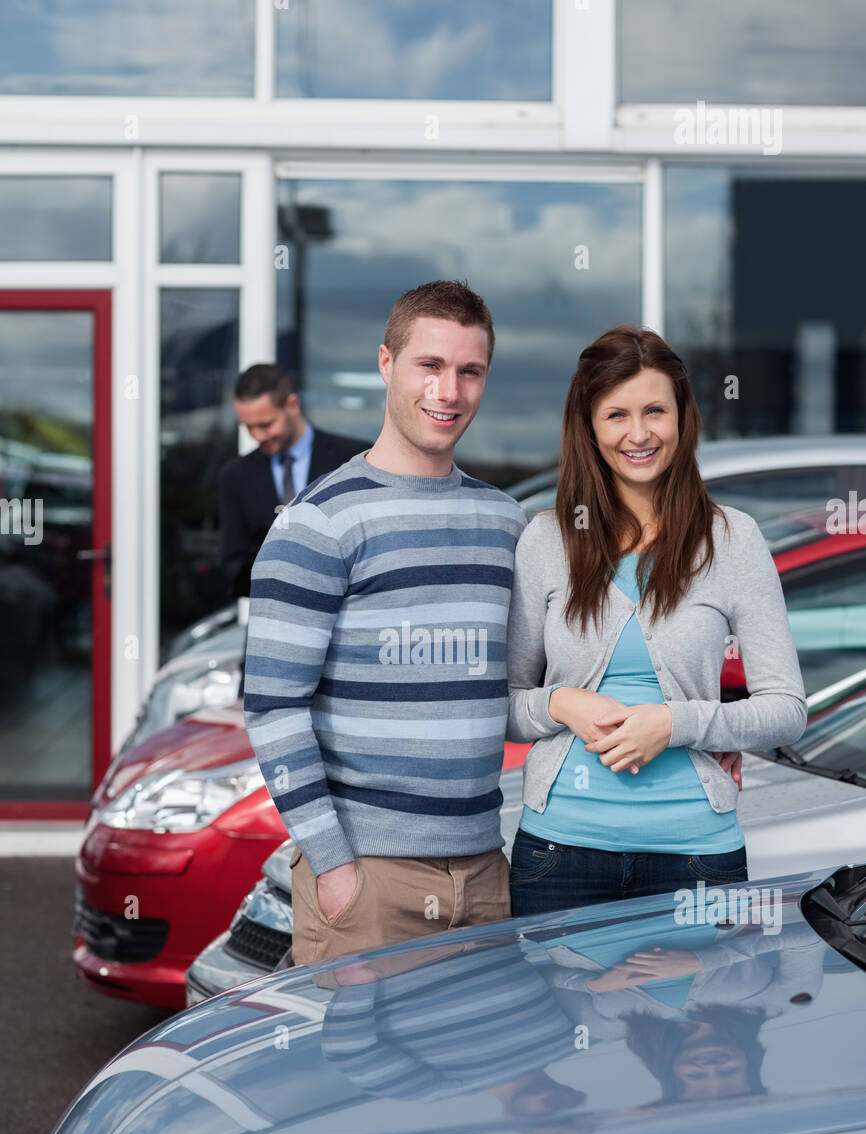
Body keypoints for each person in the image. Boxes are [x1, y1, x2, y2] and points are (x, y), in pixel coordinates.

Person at [243, 280, 527, 967]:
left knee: (479, 1072)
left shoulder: (504, 522)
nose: (449, 392)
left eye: (469, 371)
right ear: (385, 363)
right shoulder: (319, 522)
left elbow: (520, 694)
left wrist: (692, 726)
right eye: (430, 365)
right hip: (369, 880)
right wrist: (335, 869)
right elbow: (273, 706)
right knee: (359, 1079)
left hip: (486, 871)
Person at [507, 325, 808, 917]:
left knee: (698, 1011)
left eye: (655, 411)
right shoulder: (545, 539)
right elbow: (504, 705)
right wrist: (561, 702)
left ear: (682, 418)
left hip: (698, 859)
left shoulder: (732, 539)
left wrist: (677, 723)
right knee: (562, 1012)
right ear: (589, 427)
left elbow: (787, 711)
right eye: (616, 415)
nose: (638, 434)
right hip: (558, 854)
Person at [218, 362, 370, 599]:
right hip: (269, 621)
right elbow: (230, 565)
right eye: (249, 427)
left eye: (266, 424)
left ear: (292, 405)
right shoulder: (235, 476)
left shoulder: (353, 460)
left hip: (343, 622)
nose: (258, 436)